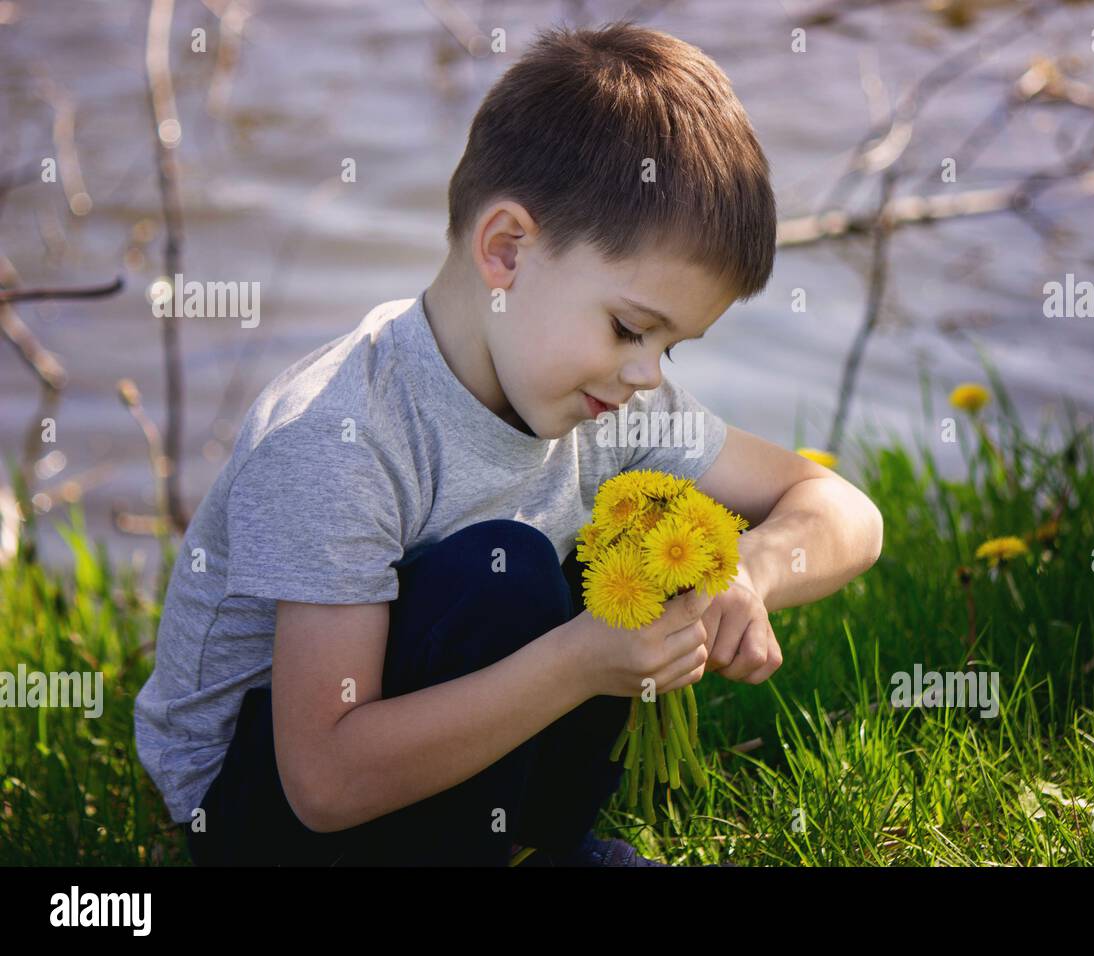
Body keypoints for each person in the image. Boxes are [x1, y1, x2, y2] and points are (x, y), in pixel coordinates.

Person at [134, 20, 884, 867]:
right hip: (268, 812)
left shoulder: (611, 398)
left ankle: (535, 844)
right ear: (506, 251)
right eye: (631, 327)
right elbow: (324, 781)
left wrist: (750, 572)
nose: (646, 374)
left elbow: (844, 511)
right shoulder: (338, 438)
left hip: (420, 767)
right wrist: (578, 663)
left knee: (623, 549)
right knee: (507, 572)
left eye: (669, 347)